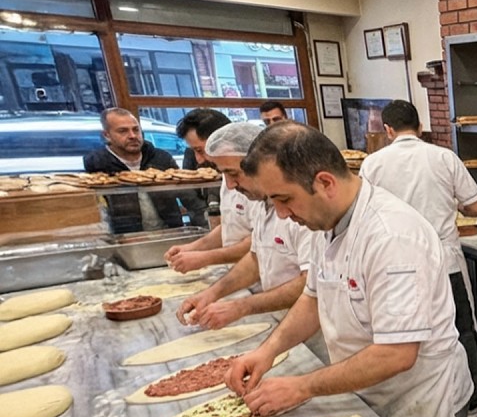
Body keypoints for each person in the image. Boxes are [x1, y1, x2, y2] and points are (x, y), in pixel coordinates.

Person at [227, 123, 472, 417]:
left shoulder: (392, 237)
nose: (280, 214)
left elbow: (396, 355)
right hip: (366, 391)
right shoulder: (327, 222)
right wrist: (267, 351)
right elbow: (313, 297)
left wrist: (301, 387)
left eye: (284, 198)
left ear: (325, 183)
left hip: (417, 403)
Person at [358, 99, 477, 417]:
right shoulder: (444, 157)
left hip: (395, 268)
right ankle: (471, 400)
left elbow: (365, 215)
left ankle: (421, 401)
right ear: (419, 127)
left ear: (388, 130)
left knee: (407, 337)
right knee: (461, 330)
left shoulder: (371, 165)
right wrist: (453, 206)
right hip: (444, 263)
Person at [177, 122, 311, 330]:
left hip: (310, 325)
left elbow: (310, 283)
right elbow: (256, 258)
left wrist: (242, 307)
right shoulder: (260, 202)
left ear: (260, 164)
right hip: (280, 317)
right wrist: (211, 294)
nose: (230, 185)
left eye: (234, 174)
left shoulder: (301, 209)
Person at [164, 109, 254, 273]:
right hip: (238, 276)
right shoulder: (227, 179)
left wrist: (207, 257)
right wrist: (192, 248)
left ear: (222, 141)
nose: (198, 160)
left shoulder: (255, 183)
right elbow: (230, 225)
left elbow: (262, 241)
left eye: (200, 150)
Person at [83, 108, 186, 234]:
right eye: (123, 131)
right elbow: (96, 209)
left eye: (136, 129)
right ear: (107, 135)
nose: (132, 136)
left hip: (170, 233)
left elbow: (187, 194)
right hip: (126, 238)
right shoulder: (97, 163)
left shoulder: (161, 158)